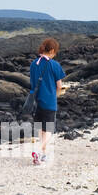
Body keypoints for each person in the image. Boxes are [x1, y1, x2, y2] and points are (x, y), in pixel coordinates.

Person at [28, 37, 65, 165]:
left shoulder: (34, 63)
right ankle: (38, 151)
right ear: (53, 50)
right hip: (49, 101)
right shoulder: (54, 65)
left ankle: (43, 155)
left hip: (36, 101)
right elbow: (59, 86)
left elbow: (32, 83)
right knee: (49, 130)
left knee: (40, 128)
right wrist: (58, 93)